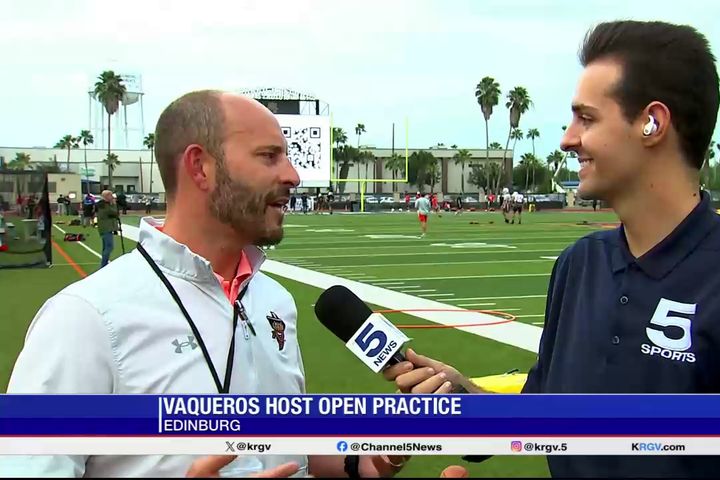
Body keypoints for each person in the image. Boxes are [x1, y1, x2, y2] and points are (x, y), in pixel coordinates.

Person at [383, 21, 720, 478]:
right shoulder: (578, 266)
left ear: (652, 122)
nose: (568, 138)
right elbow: (543, 417)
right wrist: (463, 399)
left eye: (586, 118)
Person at [1, 90, 422, 478]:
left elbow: (288, 447)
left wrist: (374, 455)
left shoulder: (273, 300)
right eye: (269, 156)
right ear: (200, 166)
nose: (293, 175)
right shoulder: (85, 317)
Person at [95, 190, 119, 269]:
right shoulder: (104, 206)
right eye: (111, 195)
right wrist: (114, 204)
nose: (112, 197)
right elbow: (114, 213)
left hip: (105, 227)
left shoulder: (102, 205)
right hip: (106, 228)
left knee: (106, 247)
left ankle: (104, 264)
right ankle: (103, 265)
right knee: (109, 246)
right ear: (107, 196)